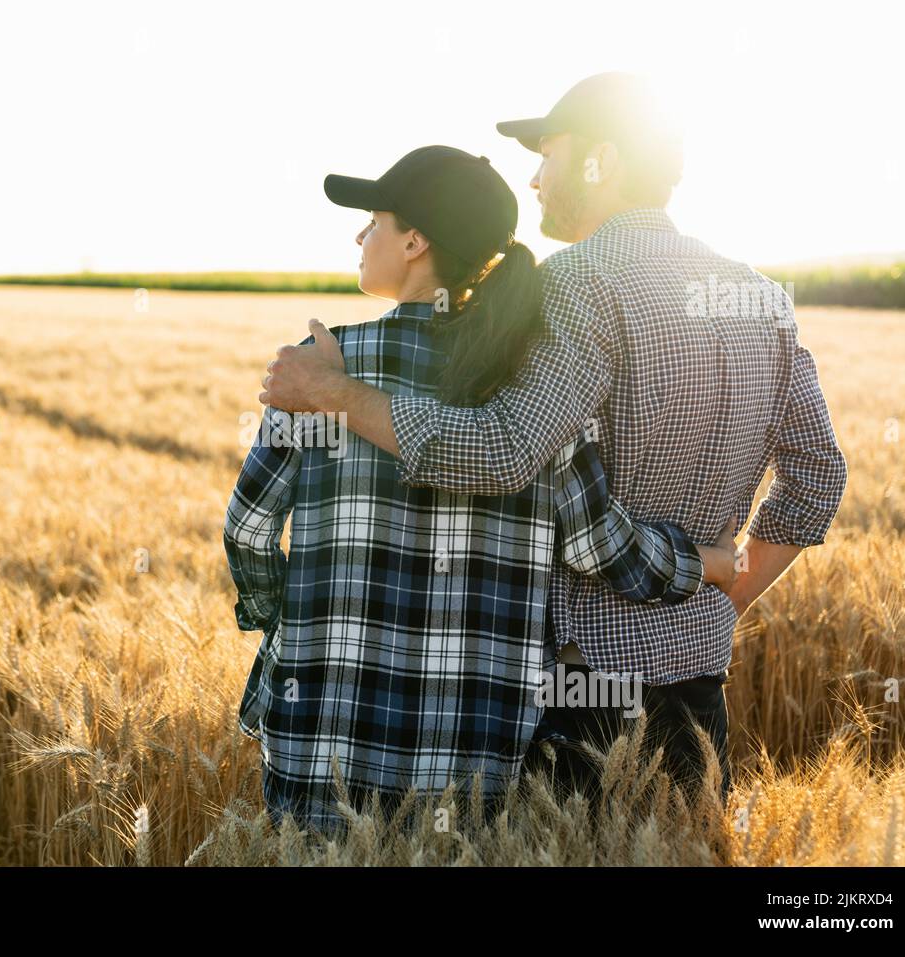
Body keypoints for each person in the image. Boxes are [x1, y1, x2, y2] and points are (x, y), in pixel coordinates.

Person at [258, 75, 848, 805]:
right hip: (698, 699)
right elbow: (818, 478)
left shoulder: (575, 283)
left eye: (550, 153)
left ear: (601, 159)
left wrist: (334, 394)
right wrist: (723, 596)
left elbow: (505, 450)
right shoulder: (759, 295)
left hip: (578, 702)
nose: (535, 177)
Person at [225, 144, 739, 835]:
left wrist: (283, 622)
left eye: (372, 220)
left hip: (322, 749)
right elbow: (597, 545)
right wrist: (699, 562)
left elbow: (249, 530)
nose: (358, 236)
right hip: (471, 776)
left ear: (414, 240)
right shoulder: (534, 385)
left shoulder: (317, 371)